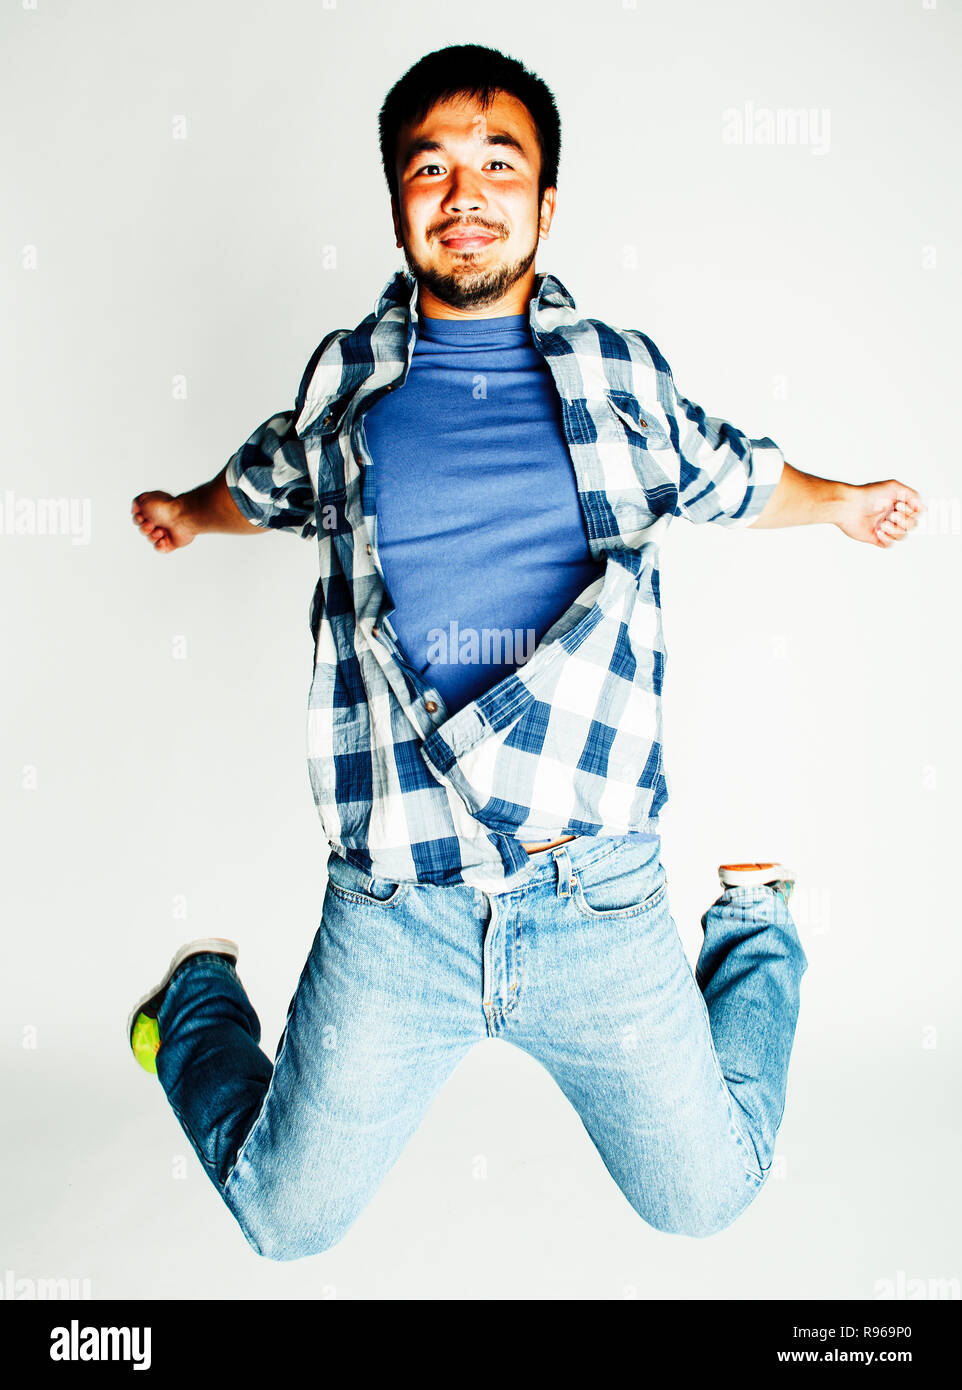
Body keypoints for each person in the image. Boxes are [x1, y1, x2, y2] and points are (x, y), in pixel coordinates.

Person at [128, 44, 923, 1261]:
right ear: (398, 200)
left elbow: (726, 471)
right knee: (284, 1220)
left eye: (499, 165)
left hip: (592, 896)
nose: (465, 194)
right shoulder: (346, 380)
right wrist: (188, 510)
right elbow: (269, 478)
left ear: (544, 203)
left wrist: (836, 500)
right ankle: (192, 999)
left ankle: (754, 924)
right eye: (431, 166)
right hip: (396, 905)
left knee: (703, 1198)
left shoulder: (616, 373)